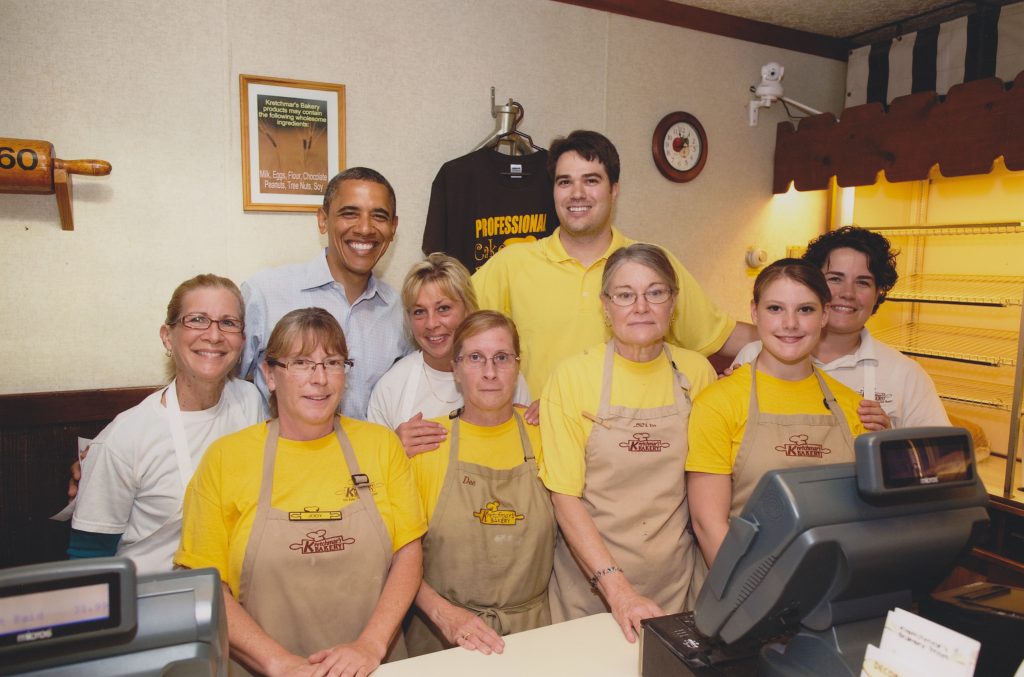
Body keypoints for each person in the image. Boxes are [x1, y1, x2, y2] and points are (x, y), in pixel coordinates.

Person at [176, 308, 425, 676]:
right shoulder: (226, 459)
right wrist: (280, 663)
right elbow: (203, 580)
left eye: (333, 362)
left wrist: (370, 645)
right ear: (269, 375)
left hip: (374, 665)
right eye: (302, 363)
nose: (320, 379)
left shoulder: (380, 446)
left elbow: (408, 552)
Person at [473, 129, 756, 396]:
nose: (577, 193)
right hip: (542, 438)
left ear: (614, 190)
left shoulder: (652, 264)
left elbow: (722, 335)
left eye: (591, 180)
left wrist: (792, 332)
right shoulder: (512, 264)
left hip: (632, 438)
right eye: (565, 182)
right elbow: (446, 326)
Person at [540, 244, 717, 643]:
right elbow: (564, 499)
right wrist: (618, 591)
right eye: (625, 295)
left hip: (675, 585)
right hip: (590, 591)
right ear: (605, 306)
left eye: (655, 292)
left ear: (673, 302)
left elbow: (710, 487)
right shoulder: (572, 377)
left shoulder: (697, 373)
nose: (640, 307)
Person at [69, 274, 264, 574]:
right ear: (167, 336)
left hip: (236, 590)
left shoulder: (251, 403)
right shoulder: (127, 437)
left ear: (241, 339)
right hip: (152, 601)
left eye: (228, 322)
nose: (214, 335)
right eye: (197, 319)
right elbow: (87, 558)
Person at [687, 259, 872, 567]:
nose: (790, 324)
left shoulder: (854, 407)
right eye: (775, 309)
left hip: (830, 585)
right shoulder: (718, 403)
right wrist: (749, 599)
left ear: (825, 314)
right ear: (754, 312)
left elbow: (861, 518)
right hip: (739, 586)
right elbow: (709, 526)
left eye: (805, 310)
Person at [405, 311, 554, 656]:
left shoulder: (547, 436)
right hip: (441, 638)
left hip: (533, 637)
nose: (489, 372)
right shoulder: (426, 444)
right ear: (455, 368)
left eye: (501, 358)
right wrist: (443, 614)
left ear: (518, 365)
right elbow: (394, 557)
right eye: (475, 358)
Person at [732, 226, 949, 429]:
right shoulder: (753, 356)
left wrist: (888, 444)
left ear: (878, 293)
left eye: (863, 282)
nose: (848, 293)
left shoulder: (904, 374)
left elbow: (945, 463)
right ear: (812, 283)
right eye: (835, 279)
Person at [239, 167, 410, 419]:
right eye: (349, 213)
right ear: (322, 219)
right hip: (281, 456)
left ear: (393, 227)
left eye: (379, 216)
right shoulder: (264, 293)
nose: (365, 228)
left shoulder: (401, 312)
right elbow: (224, 391)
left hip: (370, 457)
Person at [367, 254, 531, 456]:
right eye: (419, 312)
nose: (431, 323)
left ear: (468, 309)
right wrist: (392, 450)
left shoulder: (503, 375)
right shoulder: (391, 387)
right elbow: (373, 473)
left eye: (443, 308)